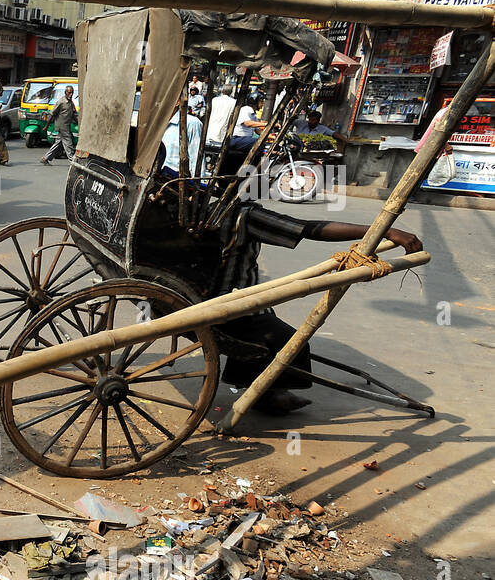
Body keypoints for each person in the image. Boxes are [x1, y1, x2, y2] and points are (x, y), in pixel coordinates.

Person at [214, 206, 422, 414]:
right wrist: (386, 232)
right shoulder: (243, 215)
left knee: (268, 320)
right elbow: (308, 229)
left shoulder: (208, 210)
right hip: (231, 307)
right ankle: (268, 394)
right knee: (293, 344)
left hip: (203, 295)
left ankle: (253, 381)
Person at [160, 99, 204, 176]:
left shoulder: (192, 123)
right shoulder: (155, 123)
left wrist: (199, 184)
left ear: (177, 102)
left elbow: (196, 157)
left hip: (176, 178)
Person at [41, 85, 78, 164]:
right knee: (69, 145)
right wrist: (46, 126)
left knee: (59, 143)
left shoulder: (71, 103)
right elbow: (52, 114)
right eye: (69, 92)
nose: (71, 94)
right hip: (62, 127)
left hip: (67, 127)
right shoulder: (61, 102)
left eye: (72, 93)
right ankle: (73, 162)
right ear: (65, 93)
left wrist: (79, 123)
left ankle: (45, 158)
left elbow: (73, 115)